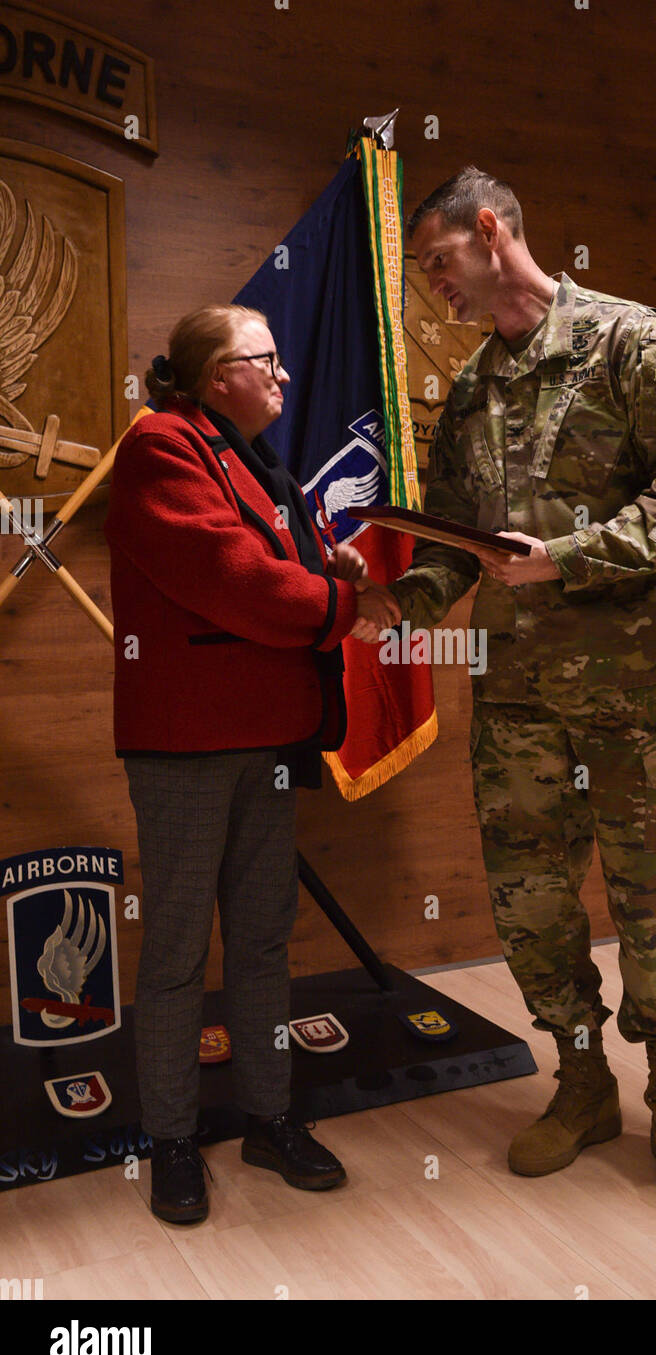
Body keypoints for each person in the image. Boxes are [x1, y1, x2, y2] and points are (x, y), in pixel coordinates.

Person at [385, 167, 656, 1213]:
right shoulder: (474, 387)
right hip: (520, 694)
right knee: (532, 904)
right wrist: (400, 602)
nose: (433, 286)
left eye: (439, 262)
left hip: (632, 687)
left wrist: (568, 556)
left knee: (650, 905)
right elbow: (452, 530)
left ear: (493, 232)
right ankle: (581, 1083)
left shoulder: (631, 341)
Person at [105, 303, 400, 1224]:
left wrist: (332, 558)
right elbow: (229, 573)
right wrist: (343, 606)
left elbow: (280, 552)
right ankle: (173, 1142)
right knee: (178, 953)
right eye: (259, 359)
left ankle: (270, 1118)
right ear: (206, 377)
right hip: (187, 743)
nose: (280, 373)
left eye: (278, 356)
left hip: (267, 737)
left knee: (265, 940)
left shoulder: (251, 456)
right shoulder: (161, 444)